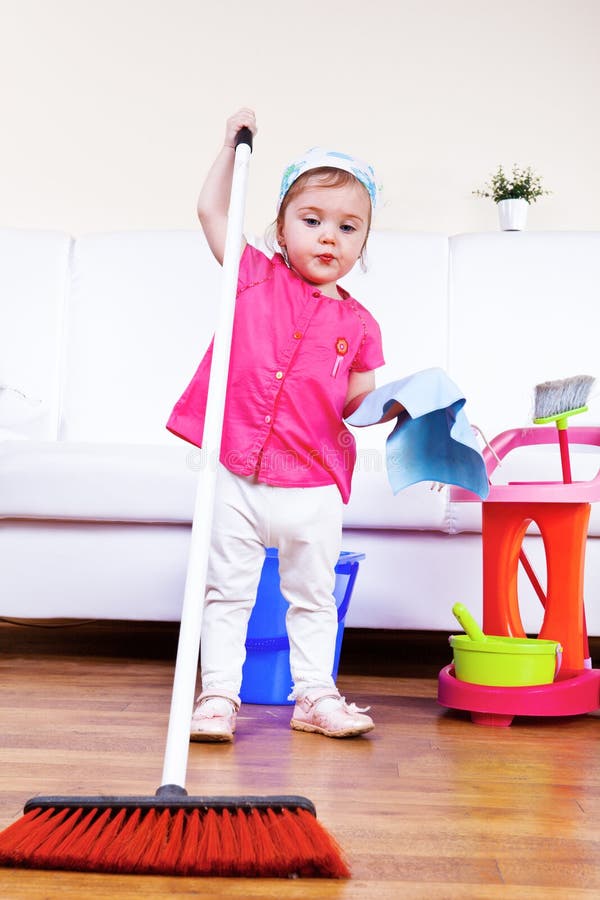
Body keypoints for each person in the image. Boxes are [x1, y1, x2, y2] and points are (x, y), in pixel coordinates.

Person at [167, 108, 400, 742]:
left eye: (349, 228)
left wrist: (393, 408)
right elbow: (212, 214)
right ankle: (218, 696)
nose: (330, 238)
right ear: (281, 228)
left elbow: (357, 403)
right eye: (313, 220)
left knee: (313, 597)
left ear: (362, 243)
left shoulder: (361, 326)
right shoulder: (251, 277)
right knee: (228, 593)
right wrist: (226, 147)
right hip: (238, 473)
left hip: (314, 486)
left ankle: (314, 696)